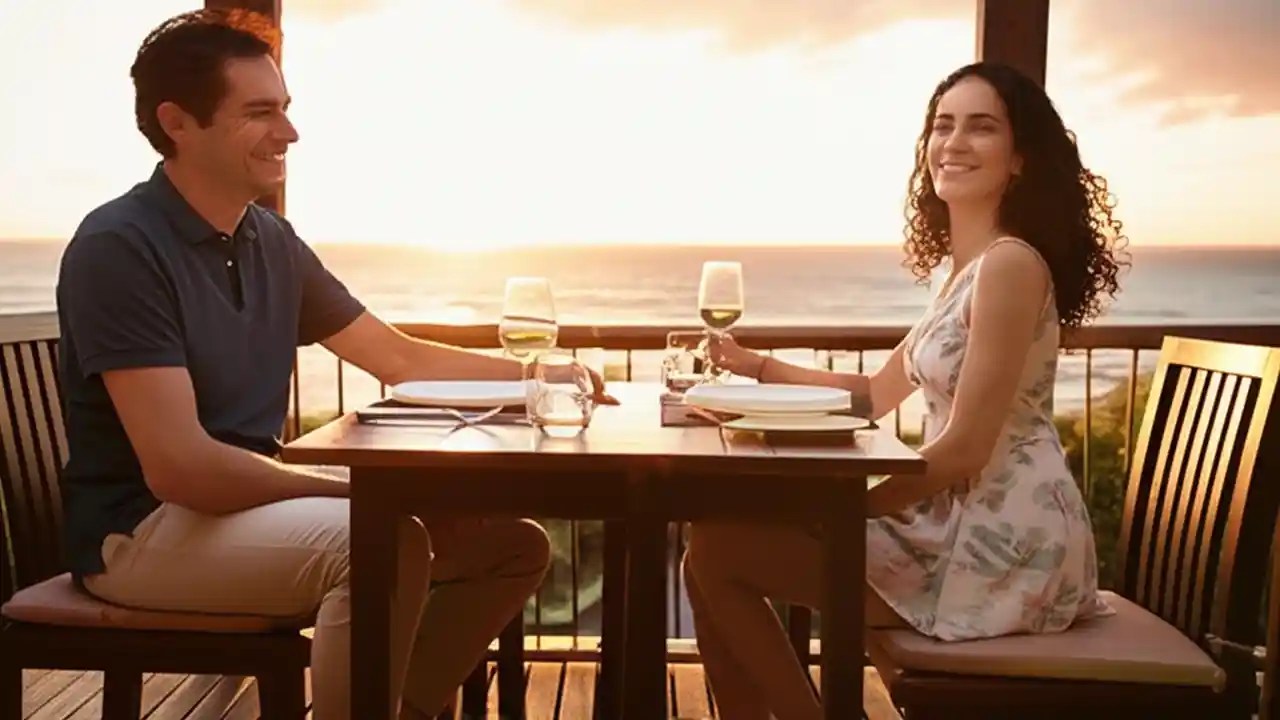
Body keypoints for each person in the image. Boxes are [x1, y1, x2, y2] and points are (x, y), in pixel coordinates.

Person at [54, 9, 612, 719]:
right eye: (260, 113)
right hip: (143, 532)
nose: (289, 132)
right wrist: (359, 495)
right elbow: (181, 468)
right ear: (177, 123)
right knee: (383, 544)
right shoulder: (120, 247)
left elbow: (397, 357)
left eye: (285, 109)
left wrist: (543, 375)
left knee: (510, 548)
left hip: (237, 513)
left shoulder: (269, 240)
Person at [687, 61, 1128, 720]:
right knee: (715, 543)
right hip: (955, 526)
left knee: (720, 554)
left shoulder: (1010, 266)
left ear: (1020, 160)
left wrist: (845, 510)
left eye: (981, 128)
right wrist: (752, 365)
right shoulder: (967, 273)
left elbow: (964, 451)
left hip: (1002, 544)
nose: (953, 142)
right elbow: (869, 396)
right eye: (942, 126)